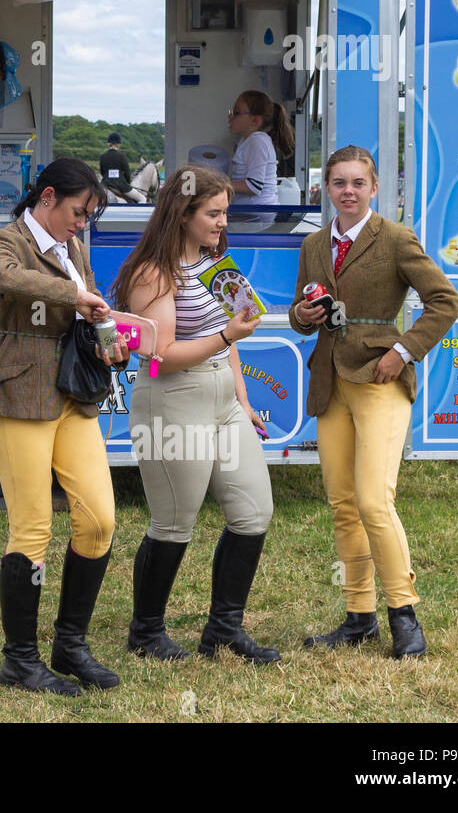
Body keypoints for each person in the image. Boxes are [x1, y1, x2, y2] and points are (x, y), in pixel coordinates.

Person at [290, 146, 458, 658]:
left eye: (357, 183)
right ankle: (359, 616)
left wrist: (404, 350)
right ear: (328, 189)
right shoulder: (315, 243)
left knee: (372, 501)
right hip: (330, 381)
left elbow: (445, 300)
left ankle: (403, 614)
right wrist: (303, 313)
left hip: (381, 376)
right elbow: (302, 313)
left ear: (375, 187)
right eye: (338, 183)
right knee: (343, 503)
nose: (347, 191)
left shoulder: (396, 238)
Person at [110, 166, 279, 664]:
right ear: (182, 212)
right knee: (174, 523)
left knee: (253, 512)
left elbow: (228, 345)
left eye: (225, 212)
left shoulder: (214, 263)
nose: (222, 223)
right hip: (173, 400)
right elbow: (159, 353)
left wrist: (243, 402)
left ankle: (223, 630)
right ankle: (146, 633)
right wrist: (228, 336)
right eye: (214, 213)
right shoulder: (153, 273)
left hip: (222, 398)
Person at [0, 158, 130, 695]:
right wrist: (74, 294)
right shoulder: (6, 239)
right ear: (47, 197)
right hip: (20, 391)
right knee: (33, 527)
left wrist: (110, 338)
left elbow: (88, 314)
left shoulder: (77, 248)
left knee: (99, 520)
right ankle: (20, 660)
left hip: (72, 391)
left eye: (89, 215)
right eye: (77, 211)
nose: (82, 223)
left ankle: (71, 644)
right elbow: (2, 278)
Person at [227, 90, 295, 208]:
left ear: (255, 121)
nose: (230, 116)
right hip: (252, 214)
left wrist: (220, 185)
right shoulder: (247, 141)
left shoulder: (257, 141)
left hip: (259, 217)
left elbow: (254, 186)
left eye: (236, 112)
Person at [99, 133, 134, 200]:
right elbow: (127, 173)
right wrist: (128, 183)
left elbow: (102, 172)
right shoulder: (122, 156)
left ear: (108, 143)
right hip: (121, 185)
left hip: (105, 184)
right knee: (142, 198)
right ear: (118, 144)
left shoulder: (102, 156)